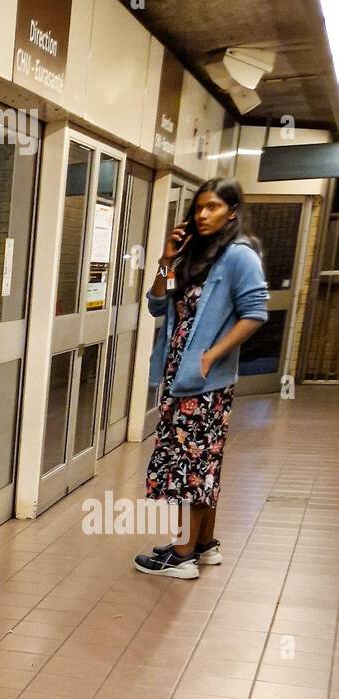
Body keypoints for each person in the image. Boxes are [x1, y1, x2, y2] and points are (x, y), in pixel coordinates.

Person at [134, 178, 266, 578]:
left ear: (233, 212)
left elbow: (255, 314)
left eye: (213, 207)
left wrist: (211, 355)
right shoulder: (196, 254)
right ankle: (203, 546)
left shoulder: (239, 256)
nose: (203, 215)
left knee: (189, 467)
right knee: (202, 465)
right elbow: (158, 303)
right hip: (181, 375)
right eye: (198, 208)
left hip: (204, 381)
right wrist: (168, 258)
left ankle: (181, 555)